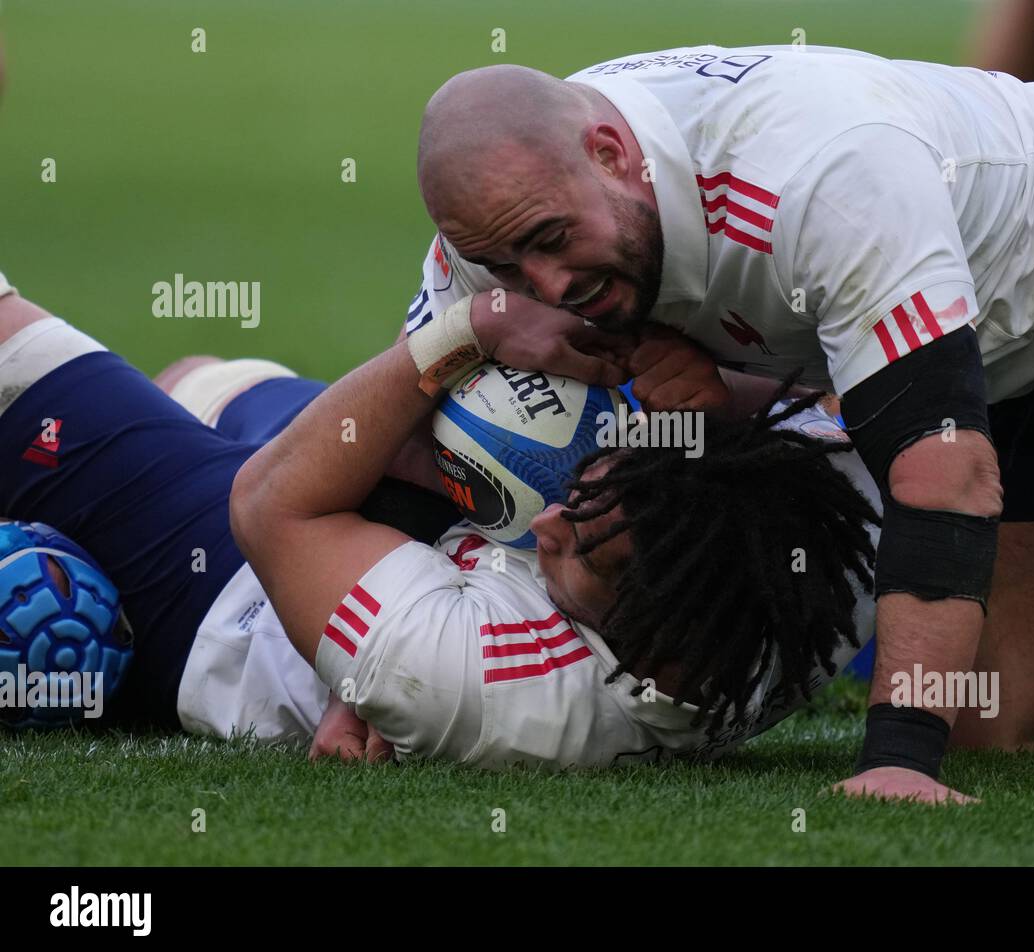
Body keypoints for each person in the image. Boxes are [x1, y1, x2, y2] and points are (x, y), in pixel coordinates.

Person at [409, 44, 1034, 803]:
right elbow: (431, 431)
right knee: (992, 714)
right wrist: (352, 678)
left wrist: (899, 762)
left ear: (610, 152)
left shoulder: (818, 171)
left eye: (554, 242)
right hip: (1007, 347)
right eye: (505, 264)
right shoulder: (496, 224)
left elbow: (943, 470)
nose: (545, 286)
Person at [0, 277, 883, 768]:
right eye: (578, 497)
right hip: (420, 515)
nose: (546, 530)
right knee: (204, 372)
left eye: (572, 549)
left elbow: (272, 505)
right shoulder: (810, 563)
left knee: (14, 349)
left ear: (649, 648)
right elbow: (845, 411)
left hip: (240, 602)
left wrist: (474, 328)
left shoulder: (478, 684)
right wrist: (712, 388)